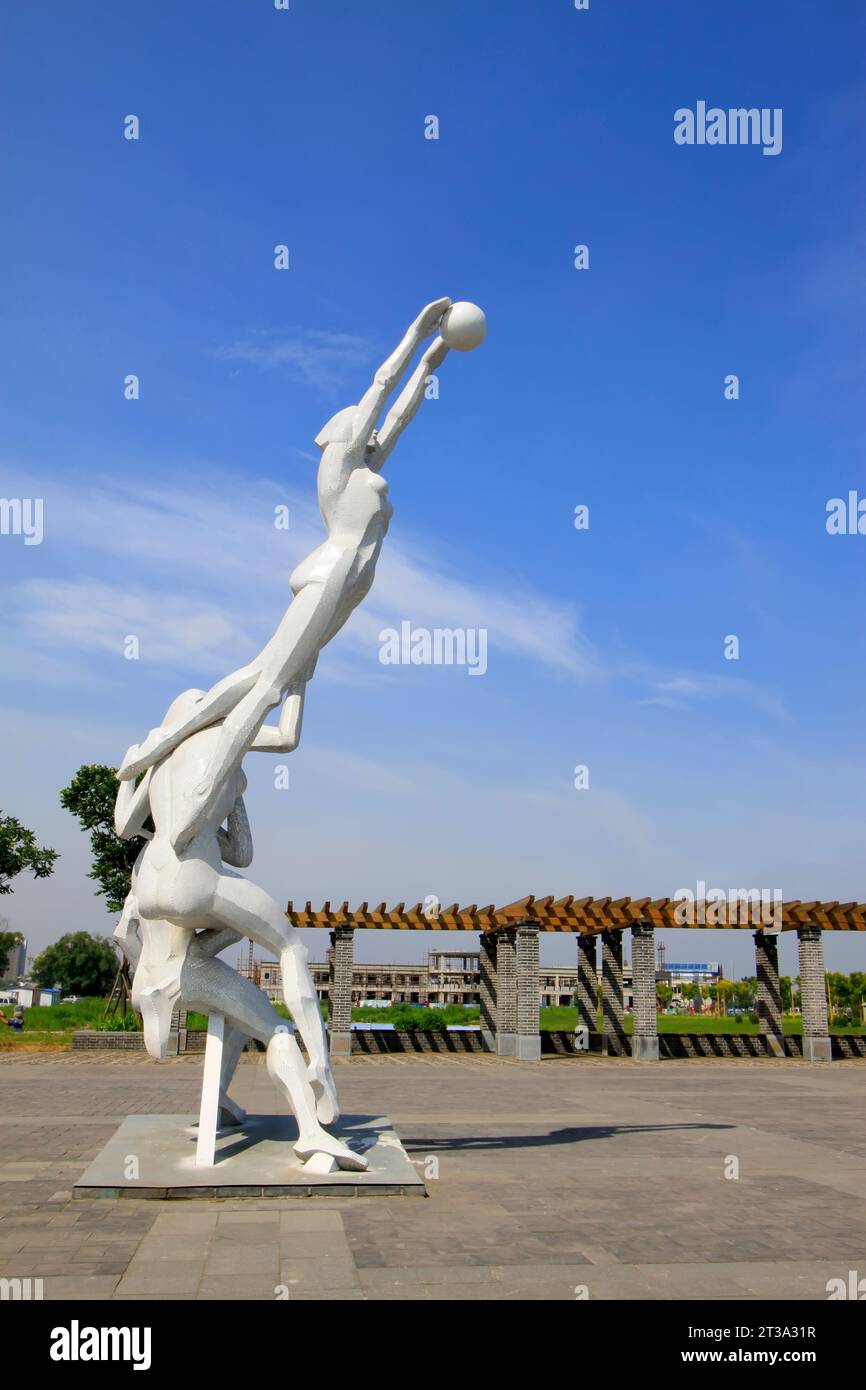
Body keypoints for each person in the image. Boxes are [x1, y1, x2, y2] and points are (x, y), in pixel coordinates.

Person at [116, 298, 452, 854]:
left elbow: (400, 416)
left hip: (347, 589)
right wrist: (416, 332)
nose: (373, 432)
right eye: (362, 426)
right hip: (332, 574)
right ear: (342, 433)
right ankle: (191, 782)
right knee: (265, 683)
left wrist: (435, 359)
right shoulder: (340, 468)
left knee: (271, 693)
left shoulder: (366, 466)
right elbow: (381, 388)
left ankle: (166, 746)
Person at [114, 688, 366, 1171]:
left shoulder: (158, 761)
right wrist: (298, 682)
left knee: (235, 1014)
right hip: (195, 892)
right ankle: (315, 1104)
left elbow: (125, 827)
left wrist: (128, 772)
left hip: (152, 945)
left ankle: (221, 1102)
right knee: (285, 970)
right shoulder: (219, 738)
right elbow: (285, 738)